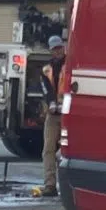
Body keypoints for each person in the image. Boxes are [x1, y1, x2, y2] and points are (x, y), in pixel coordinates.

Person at [40, 34, 67, 196]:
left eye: (59, 48)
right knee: (48, 149)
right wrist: (51, 103)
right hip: (53, 113)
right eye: (54, 49)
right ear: (51, 51)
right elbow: (46, 89)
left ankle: (65, 185)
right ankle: (50, 184)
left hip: (66, 113)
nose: (57, 51)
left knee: (65, 149)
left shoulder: (70, 66)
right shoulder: (46, 69)